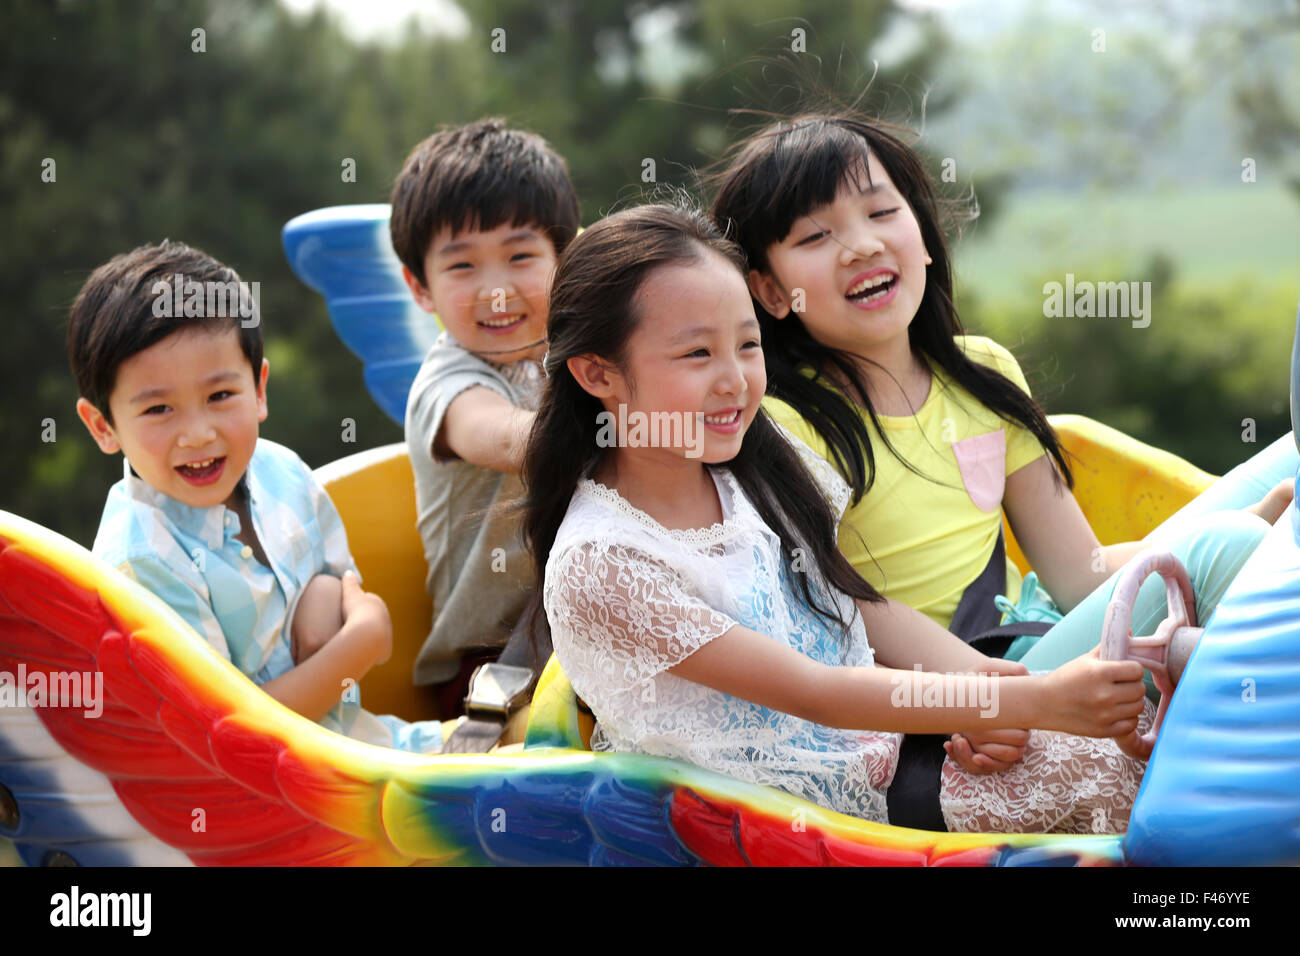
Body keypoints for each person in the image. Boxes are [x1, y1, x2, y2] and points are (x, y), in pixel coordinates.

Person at [526, 201, 1160, 834]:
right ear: (596, 372)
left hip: (887, 754)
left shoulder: (752, 465)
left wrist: (982, 689)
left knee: (1152, 759)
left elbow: (858, 606)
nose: (735, 381)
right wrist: (1030, 701)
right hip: (796, 824)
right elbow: (814, 691)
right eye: (696, 355)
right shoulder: (604, 562)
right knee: (1134, 792)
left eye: (747, 345)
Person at [708, 112, 1295, 679]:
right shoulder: (787, 424)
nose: (861, 246)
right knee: (1233, 544)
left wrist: (1223, 529)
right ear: (770, 292)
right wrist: (996, 696)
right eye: (815, 236)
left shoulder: (984, 372)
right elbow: (837, 615)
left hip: (1043, 635)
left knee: (1288, 457)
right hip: (981, 688)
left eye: (882, 211)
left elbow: (1081, 579)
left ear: (925, 236)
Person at [70, 240, 444, 752]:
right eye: (159, 409)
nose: (198, 433)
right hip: (284, 803)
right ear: (103, 426)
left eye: (220, 396)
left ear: (260, 389)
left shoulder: (280, 470)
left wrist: (326, 592)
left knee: (528, 740)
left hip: (364, 743)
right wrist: (364, 641)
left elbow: (340, 575)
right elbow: (235, 740)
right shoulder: (141, 562)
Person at [391, 118, 581, 712]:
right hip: (494, 665)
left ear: (565, 257)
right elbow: (499, 435)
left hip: (593, 625)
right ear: (420, 287)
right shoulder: (448, 382)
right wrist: (629, 430)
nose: (495, 290)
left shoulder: (580, 352)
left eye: (521, 255)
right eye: (463, 266)